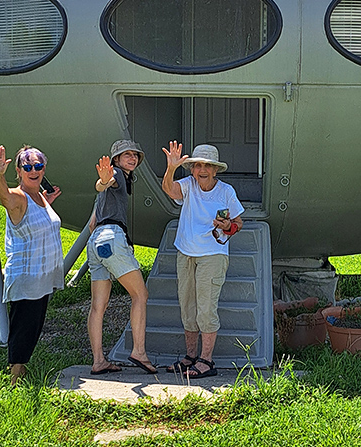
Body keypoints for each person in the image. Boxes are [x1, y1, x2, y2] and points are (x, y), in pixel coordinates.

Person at [161, 141, 244, 379]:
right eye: (197, 165)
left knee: (206, 309)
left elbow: (238, 222)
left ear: (215, 169)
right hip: (186, 252)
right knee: (187, 306)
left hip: (212, 255)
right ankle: (190, 357)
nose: (202, 170)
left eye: (207, 166)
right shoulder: (187, 185)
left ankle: (207, 360)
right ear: (192, 169)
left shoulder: (226, 191)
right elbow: (169, 190)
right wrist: (171, 168)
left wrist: (228, 226)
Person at [0, 144, 64, 385]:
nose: (34, 170)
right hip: (27, 276)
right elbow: (5, 197)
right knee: (24, 326)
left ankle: (21, 368)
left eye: (39, 166)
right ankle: (15, 377)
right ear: (19, 171)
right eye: (28, 167)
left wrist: (48, 201)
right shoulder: (19, 196)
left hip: (41, 275)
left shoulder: (40, 196)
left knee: (33, 325)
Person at [86, 139, 157, 374]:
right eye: (126, 154)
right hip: (111, 237)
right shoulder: (116, 175)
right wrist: (104, 180)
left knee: (98, 305)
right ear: (116, 159)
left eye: (135, 154)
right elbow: (104, 183)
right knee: (140, 295)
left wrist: (104, 183)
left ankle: (98, 361)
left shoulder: (117, 183)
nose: (132, 158)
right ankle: (139, 351)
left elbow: (92, 224)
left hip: (95, 243)